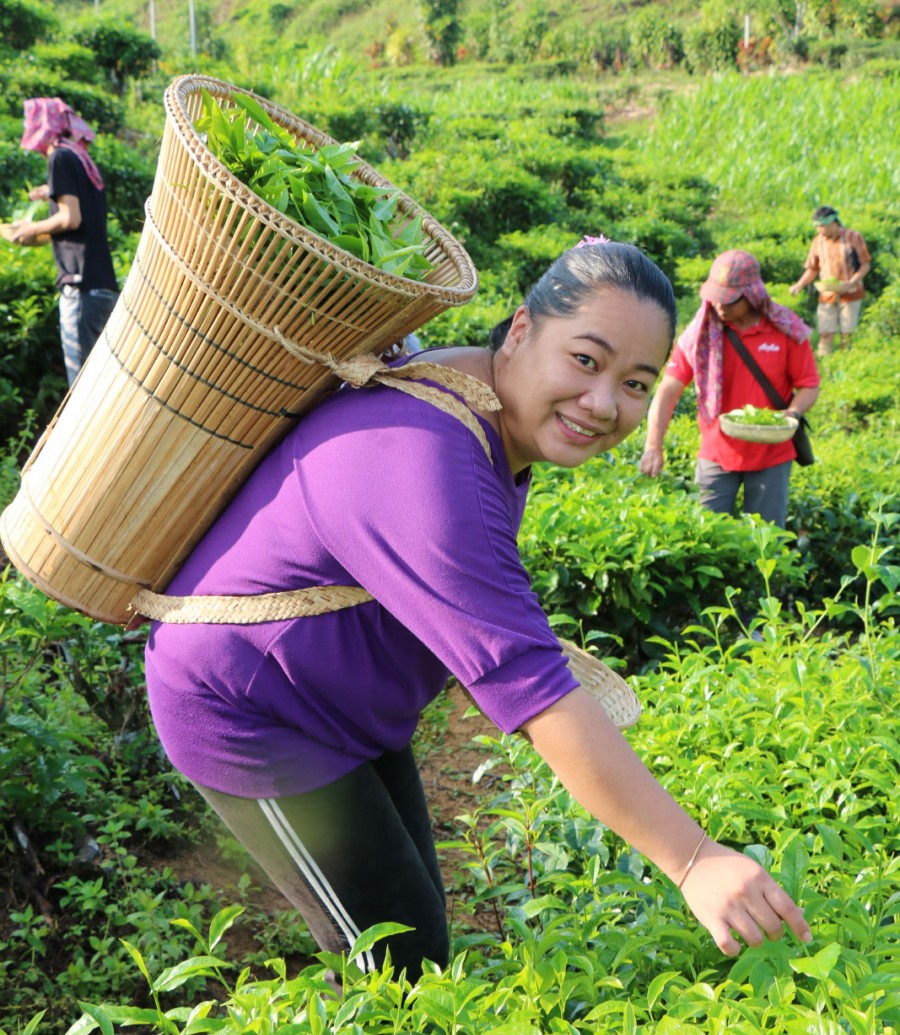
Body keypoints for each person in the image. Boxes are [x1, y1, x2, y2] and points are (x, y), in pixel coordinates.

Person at [142, 238, 812, 983]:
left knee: (413, 924)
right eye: (585, 361)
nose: (603, 404)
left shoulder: (474, 398)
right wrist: (693, 861)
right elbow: (531, 688)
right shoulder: (426, 461)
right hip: (252, 713)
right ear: (522, 329)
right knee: (396, 956)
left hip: (342, 700)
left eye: (635, 383)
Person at [640, 249, 819, 529]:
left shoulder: (785, 331)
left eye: (730, 299)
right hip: (716, 454)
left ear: (752, 295)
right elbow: (667, 391)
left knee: (765, 541)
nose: (720, 306)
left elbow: (809, 385)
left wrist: (793, 413)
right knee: (708, 536)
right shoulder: (700, 335)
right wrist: (653, 445)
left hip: (771, 456)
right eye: (715, 297)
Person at [11, 97, 119, 387]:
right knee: (104, 383)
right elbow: (76, 223)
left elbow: (70, 218)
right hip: (103, 289)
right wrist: (49, 195)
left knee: (83, 388)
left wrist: (30, 227)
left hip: (81, 290)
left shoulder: (59, 156)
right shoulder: (81, 159)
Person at [789, 205, 871, 356]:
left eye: (823, 226)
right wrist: (799, 285)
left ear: (834, 222)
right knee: (825, 333)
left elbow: (865, 265)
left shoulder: (853, 237)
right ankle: (823, 363)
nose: (820, 230)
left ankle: (846, 363)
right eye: (818, 227)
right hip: (826, 294)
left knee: (847, 334)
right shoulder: (817, 242)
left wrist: (851, 282)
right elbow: (813, 269)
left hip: (851, 292)